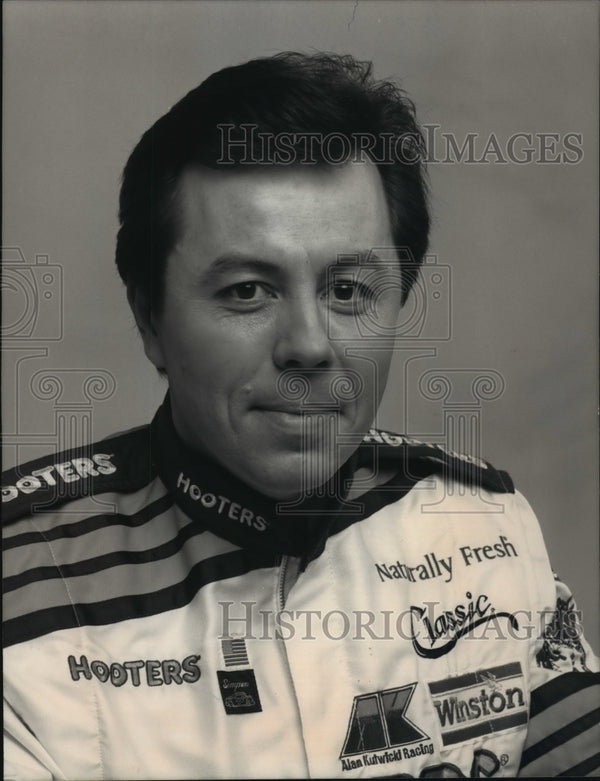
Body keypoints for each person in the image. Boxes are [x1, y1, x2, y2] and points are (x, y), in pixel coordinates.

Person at [2, 52, 598, 780]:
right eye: (249, 291)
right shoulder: (20, 583)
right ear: (149, 317)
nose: (309, 346)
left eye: (348, 289)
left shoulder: (484, 529)